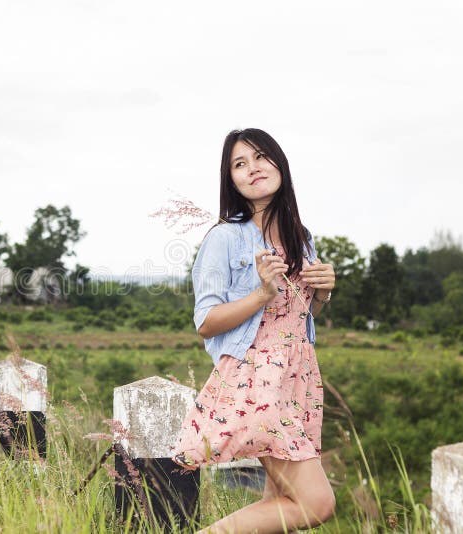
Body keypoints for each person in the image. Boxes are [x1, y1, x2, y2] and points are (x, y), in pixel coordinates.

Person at [170, 128, 337, 534]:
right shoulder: (224, 238)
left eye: (260, 157)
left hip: (297, 378)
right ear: (232, 181)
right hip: (255, 378)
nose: (252, 168)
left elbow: (299, 314)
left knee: (279, 505)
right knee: (316, 503)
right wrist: (262, 292)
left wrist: (324, 294)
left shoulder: (302, 237)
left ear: (279, 163)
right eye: (239, 164)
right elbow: (206, 321)